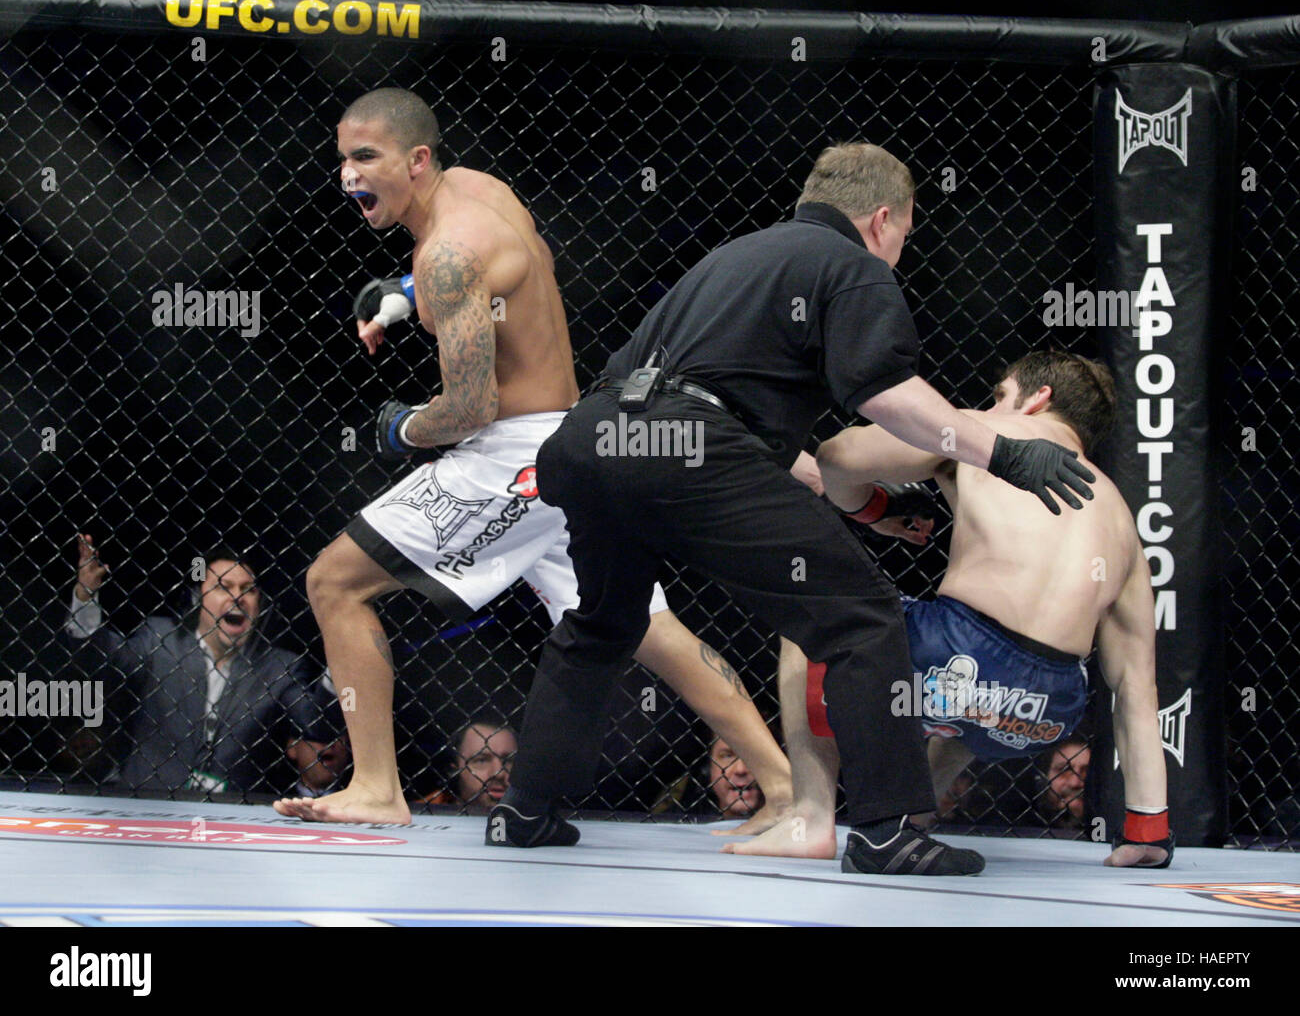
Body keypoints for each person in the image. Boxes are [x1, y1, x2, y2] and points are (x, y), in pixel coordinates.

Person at [490, 144, 1095, 875]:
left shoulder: (740, 256)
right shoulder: (855, 267)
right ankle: (887, 830)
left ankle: (525, 810)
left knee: (602, 623)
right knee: (862, 615)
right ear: (881, 220)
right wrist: (1003, 453)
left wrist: (867, 508)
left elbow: (722, 424)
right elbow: (886, 396)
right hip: (687, 446)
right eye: (905, 233)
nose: (901, 250)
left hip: (592, 439)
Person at [274, 88, 792, 827]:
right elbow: (526, 262)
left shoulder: (448, 254)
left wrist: (401, 428)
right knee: (649, 628)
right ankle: (781, 784)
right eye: (341, 159)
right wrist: (405, 293)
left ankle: (378, 788)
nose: (348, 175)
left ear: (416, 160)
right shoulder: (479, 191)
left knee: (334, 583)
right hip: (572, 442)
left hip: (513, 456)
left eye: (365, 157)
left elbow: (469, 407)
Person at [732, 351, 1172, 868]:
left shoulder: (985, 431)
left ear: (1036, 400)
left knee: (818, 618)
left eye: (1001, 395)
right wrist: (1147, 828)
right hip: (1047, 710)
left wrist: (871, 509)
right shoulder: (1121, 518)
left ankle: (809, 817)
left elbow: (837, 456)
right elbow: (1137, 686)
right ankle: (914, 819)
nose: (993, 406)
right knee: (968, 704)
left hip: (961, 656)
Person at [65, 534, 345, 796]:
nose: (238, 597)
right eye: (224, 586)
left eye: (248, 590)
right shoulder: (160, 640)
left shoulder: (279, 667)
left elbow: (317, 723)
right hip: (149, 806)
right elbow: (100, 660)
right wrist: (85, 597)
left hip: (233, 818)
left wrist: (343, 657)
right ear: (199, 598)